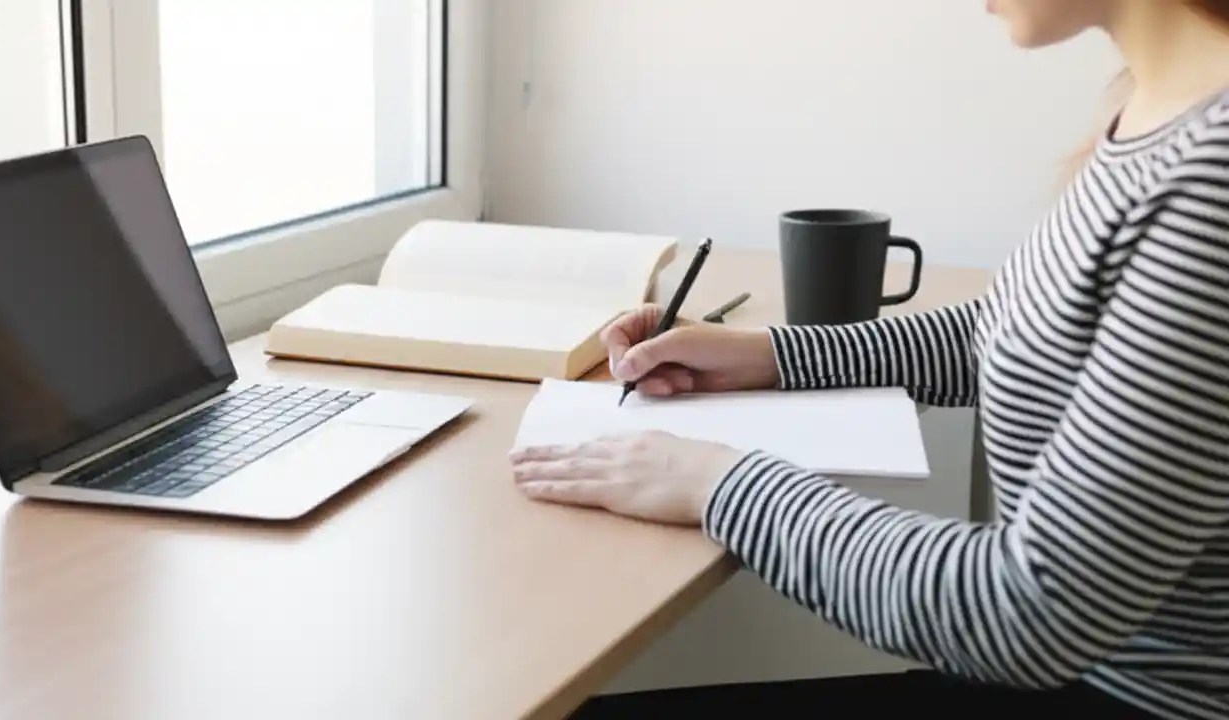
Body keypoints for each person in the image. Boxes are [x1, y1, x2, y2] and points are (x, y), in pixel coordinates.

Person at [507, 1, 1229, 718]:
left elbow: (1034, 609)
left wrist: (715, 482)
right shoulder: (1162, 109)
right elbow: (1035, 334)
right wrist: (771, 356)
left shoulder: (1210, 184)